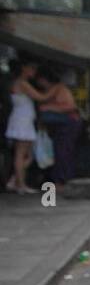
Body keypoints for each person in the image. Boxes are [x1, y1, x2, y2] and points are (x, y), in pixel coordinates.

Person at [32, 66, 82, 186]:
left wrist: (49, 107)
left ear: (43, 79)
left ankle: (62, 180)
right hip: (60, 127)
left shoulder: (59, 88)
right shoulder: (52, 90)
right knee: (60, 152)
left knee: (63, 152)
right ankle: (61, 179)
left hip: (68, 124)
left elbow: (71, 106)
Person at [5, 53, 41, 194]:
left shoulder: (19, 83)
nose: (34, 72)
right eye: (32, 69)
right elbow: (40, 97)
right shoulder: (22, 83)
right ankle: (20, 185)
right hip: (22, 121)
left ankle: (15, 180)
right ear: (24, 68)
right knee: (22, 154)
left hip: (23, 120)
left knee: (27, 155)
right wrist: (57, 89)